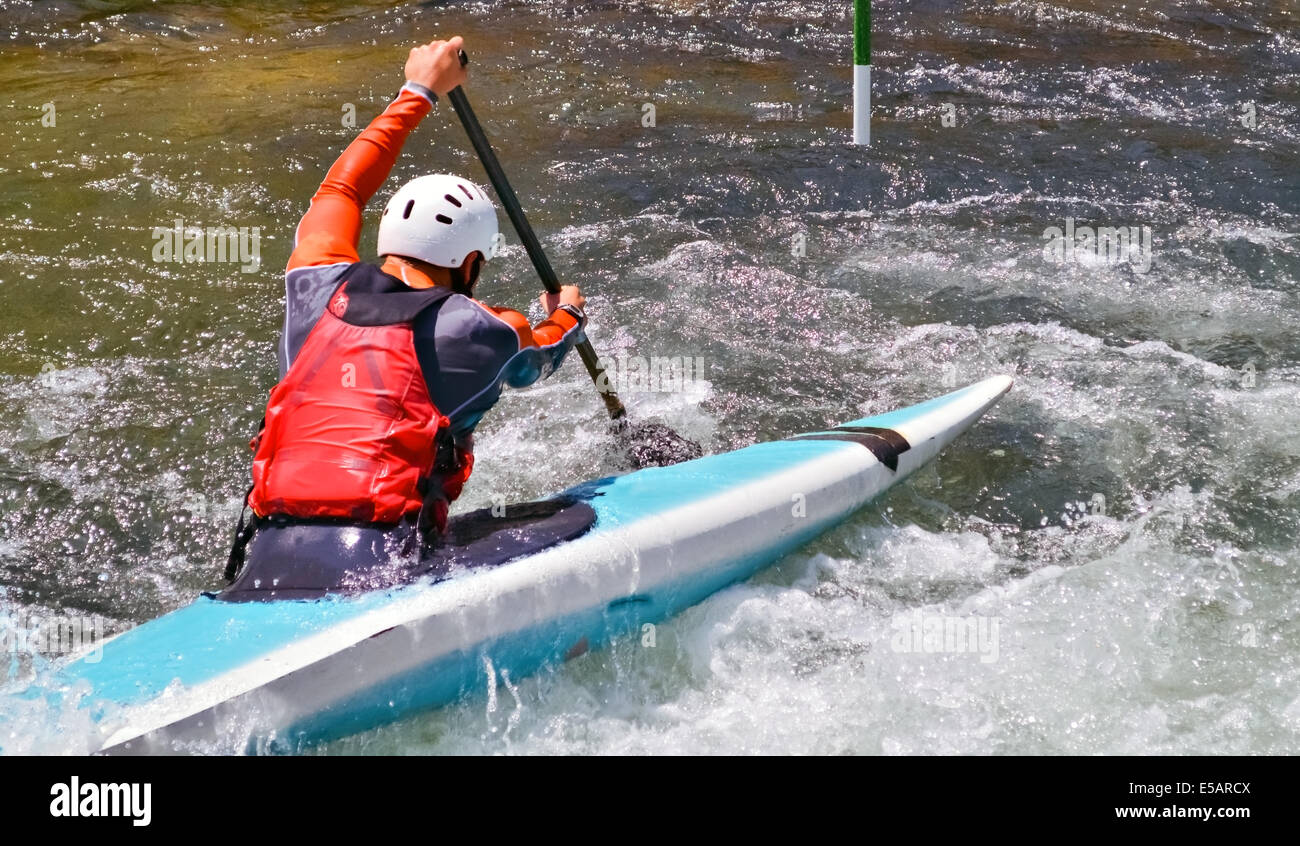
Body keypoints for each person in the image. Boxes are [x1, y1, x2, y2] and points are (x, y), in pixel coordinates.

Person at [223, 36, 587, 598]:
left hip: (265, 557)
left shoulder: (312, 285)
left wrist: (419, 91)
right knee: (578, 517)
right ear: (470, 265)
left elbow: (342, 188)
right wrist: (568, 312)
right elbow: (542, 353)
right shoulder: (484, 328)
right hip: (385, 563)